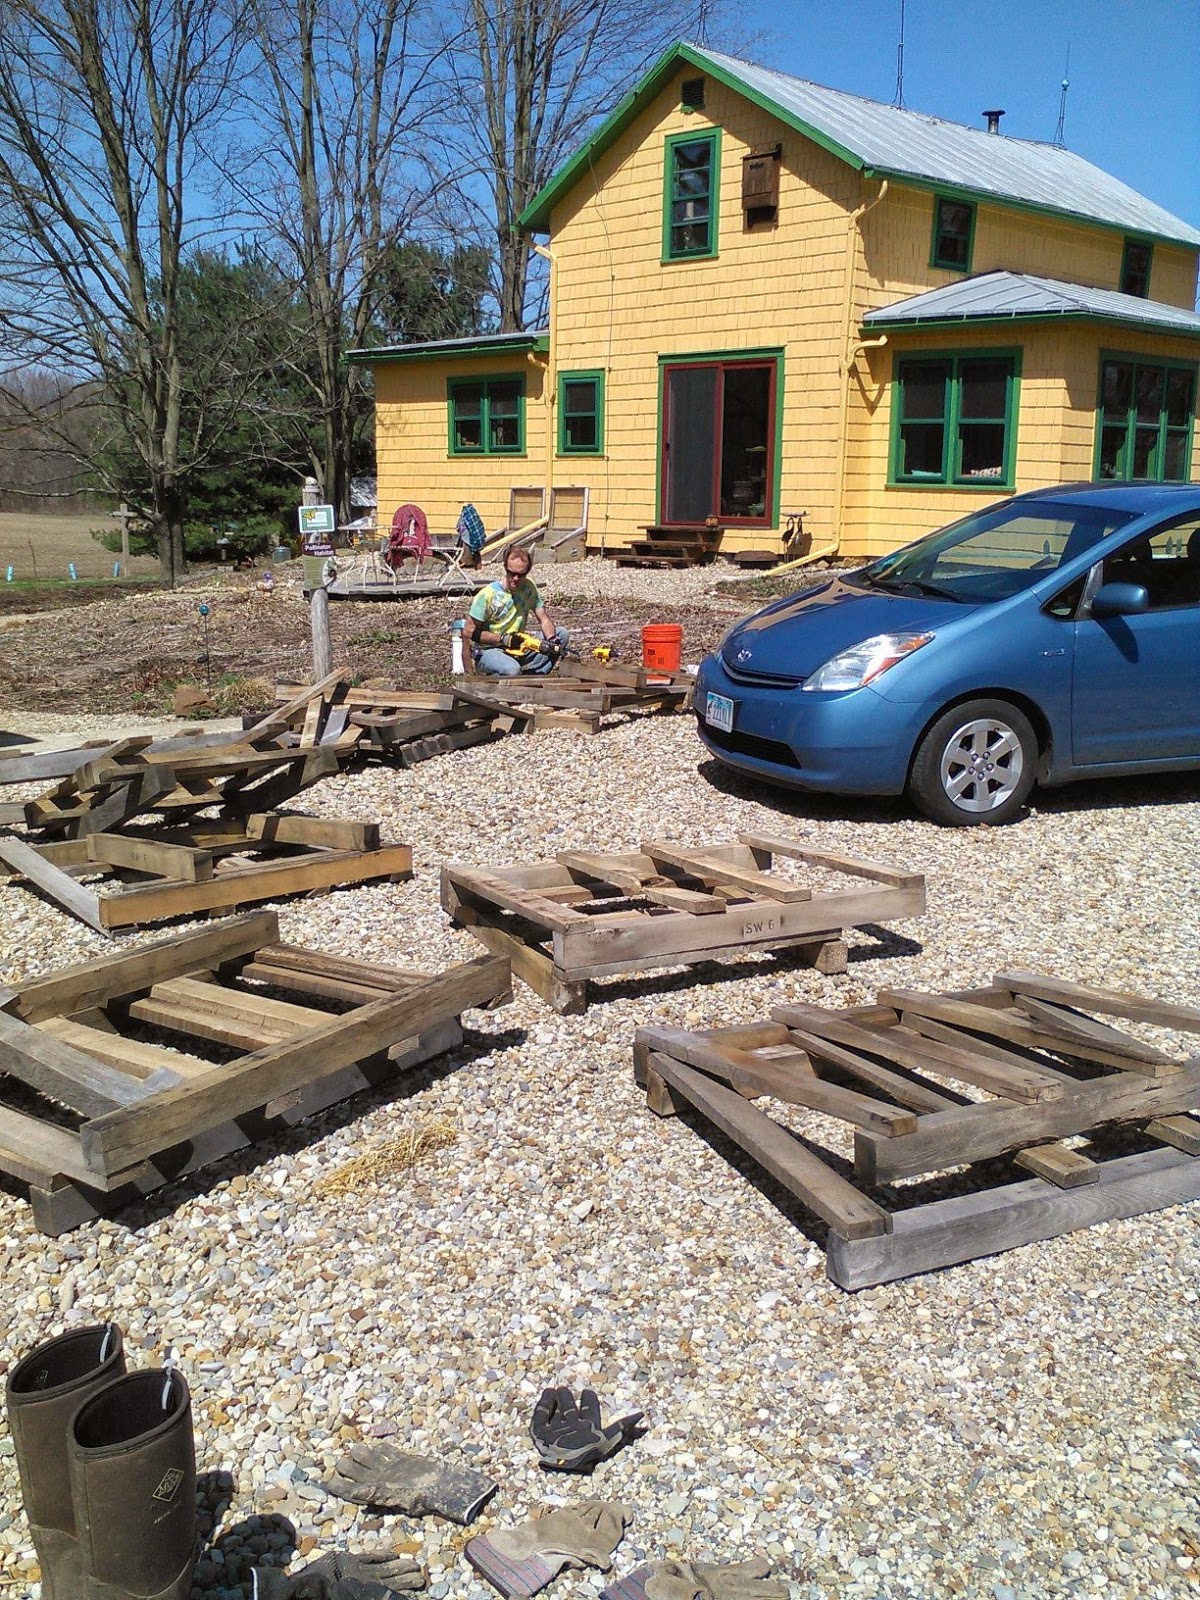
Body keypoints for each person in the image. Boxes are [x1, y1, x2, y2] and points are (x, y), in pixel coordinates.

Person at [463, 547, 568, 676]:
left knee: (562, 634)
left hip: (518, 647)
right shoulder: (488, 595)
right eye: (512, 573)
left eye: (521, 574)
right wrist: (502, 639)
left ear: (527, 571)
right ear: (505, 568)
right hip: (490, 650)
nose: (516, 578)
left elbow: (543, 619)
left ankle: (533, 675)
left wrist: (552, 640)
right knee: (512, 669)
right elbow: (468, 631)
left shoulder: (529, 588)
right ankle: (496, 678)